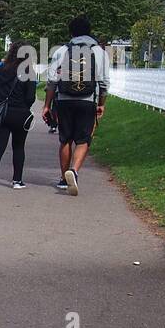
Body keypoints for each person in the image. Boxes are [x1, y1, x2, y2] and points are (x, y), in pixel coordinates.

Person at [43, 15, 108, 196]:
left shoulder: (62, 50)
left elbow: (52, 81)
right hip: (87, 100)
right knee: (83, 139)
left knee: (65, 139)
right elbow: (104, 83)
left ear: (70, 32)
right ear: (89, 31)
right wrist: (101, 104)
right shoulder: (99, 52)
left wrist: (46, 105)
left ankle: (64, 178)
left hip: (63, 100)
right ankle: (75, 171)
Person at [0, 42, 37, 193]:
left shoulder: (1, 68)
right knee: (18, 147)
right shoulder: (28, 71)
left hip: (1, 113)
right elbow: (31, 97)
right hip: (20, 114)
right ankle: (17, 180)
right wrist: (25, 106)